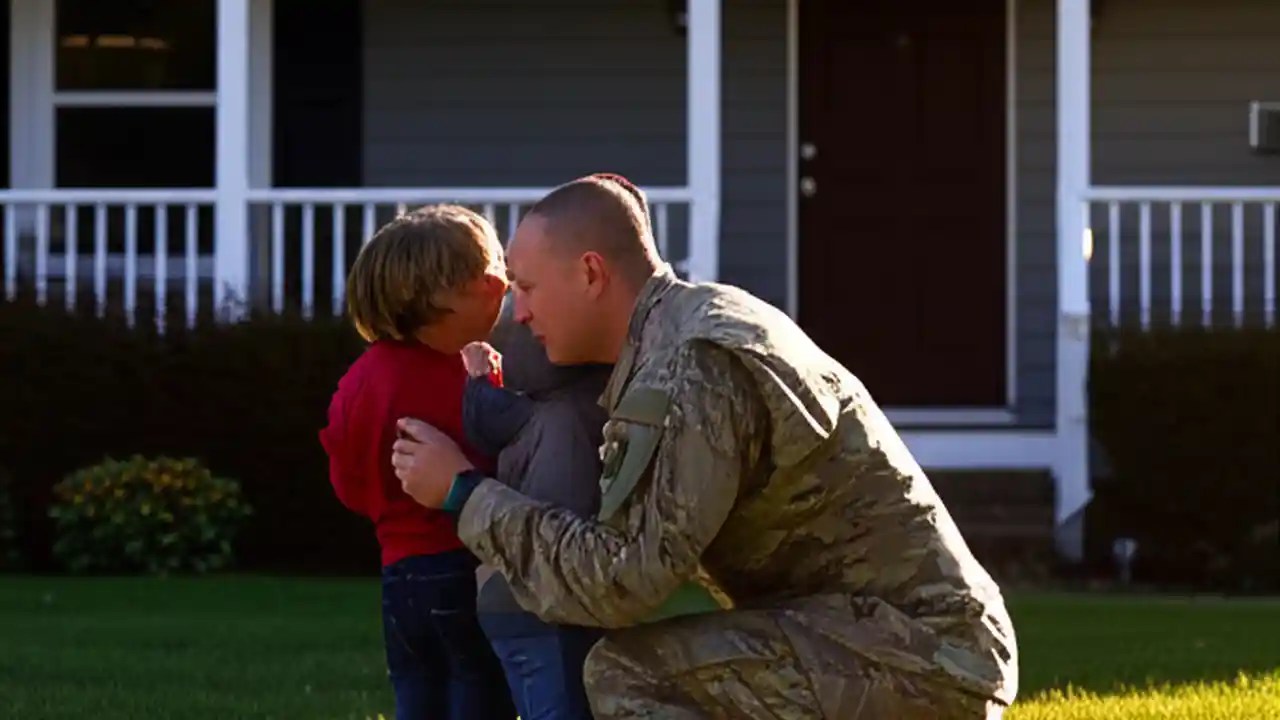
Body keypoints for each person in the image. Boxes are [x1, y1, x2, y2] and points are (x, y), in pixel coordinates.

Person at [390, 174, 1019, 719]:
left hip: (925, 655)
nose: (518, 313)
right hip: (882, 637)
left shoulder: (692, 367)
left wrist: (465, 494)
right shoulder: (688, 325)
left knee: (624, 676)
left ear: (590, 273)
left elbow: (622, 581)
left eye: (526, 288)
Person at [318, 204, 516, 720]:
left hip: (398, 572)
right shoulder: (463, 375)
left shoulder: (361, 379)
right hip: (465, 563)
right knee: (479, 685)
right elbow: (500, 459)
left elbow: (347, 480)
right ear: (486, 286)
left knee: (417, 688)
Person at [459, 315, 610, 720]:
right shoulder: (588, 406)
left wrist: (478, 377)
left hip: (519, 587)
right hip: (550, 589)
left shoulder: (525, 412)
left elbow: (482, 420)